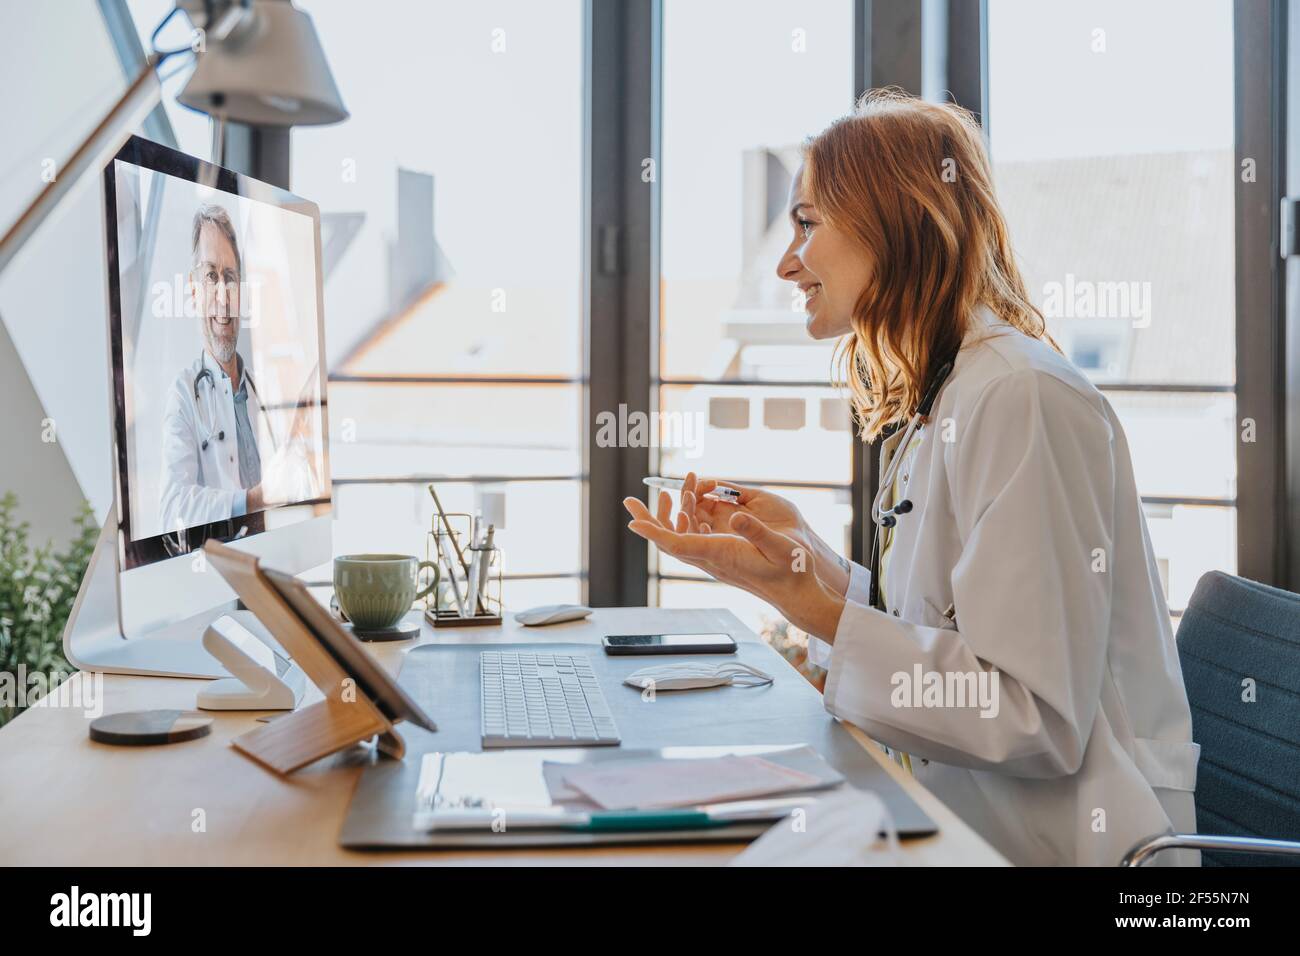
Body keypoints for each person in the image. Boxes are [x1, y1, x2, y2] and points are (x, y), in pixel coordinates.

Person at [623, 90, 1199, 867]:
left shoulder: (1022, 397)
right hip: (958, 818)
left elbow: (1031, 714)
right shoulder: (949, 393)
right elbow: (946, 629)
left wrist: (821, 615)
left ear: (893, 221)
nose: (789, 262)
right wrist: (804, 566)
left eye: (807, 222)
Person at [159, 204, 268, 532]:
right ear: (194, 291)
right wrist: (251, 501)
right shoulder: (183, 395)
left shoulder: (263, 391)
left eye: (230, 278)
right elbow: (172, 508)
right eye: (211, 276)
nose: (223, 295)